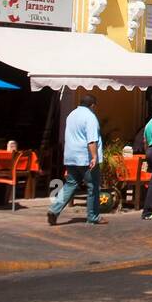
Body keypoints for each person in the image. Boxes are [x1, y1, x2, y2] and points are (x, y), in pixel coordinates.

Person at [47, 93, 105, 226]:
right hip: (85, 158)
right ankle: (93, 216)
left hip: (71, 156)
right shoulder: (90, 117)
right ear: (92, 105)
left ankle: (54, 209)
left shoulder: (71, 115)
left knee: (70, 184)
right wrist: (94, 157)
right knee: (93, 187)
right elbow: (92, 140)